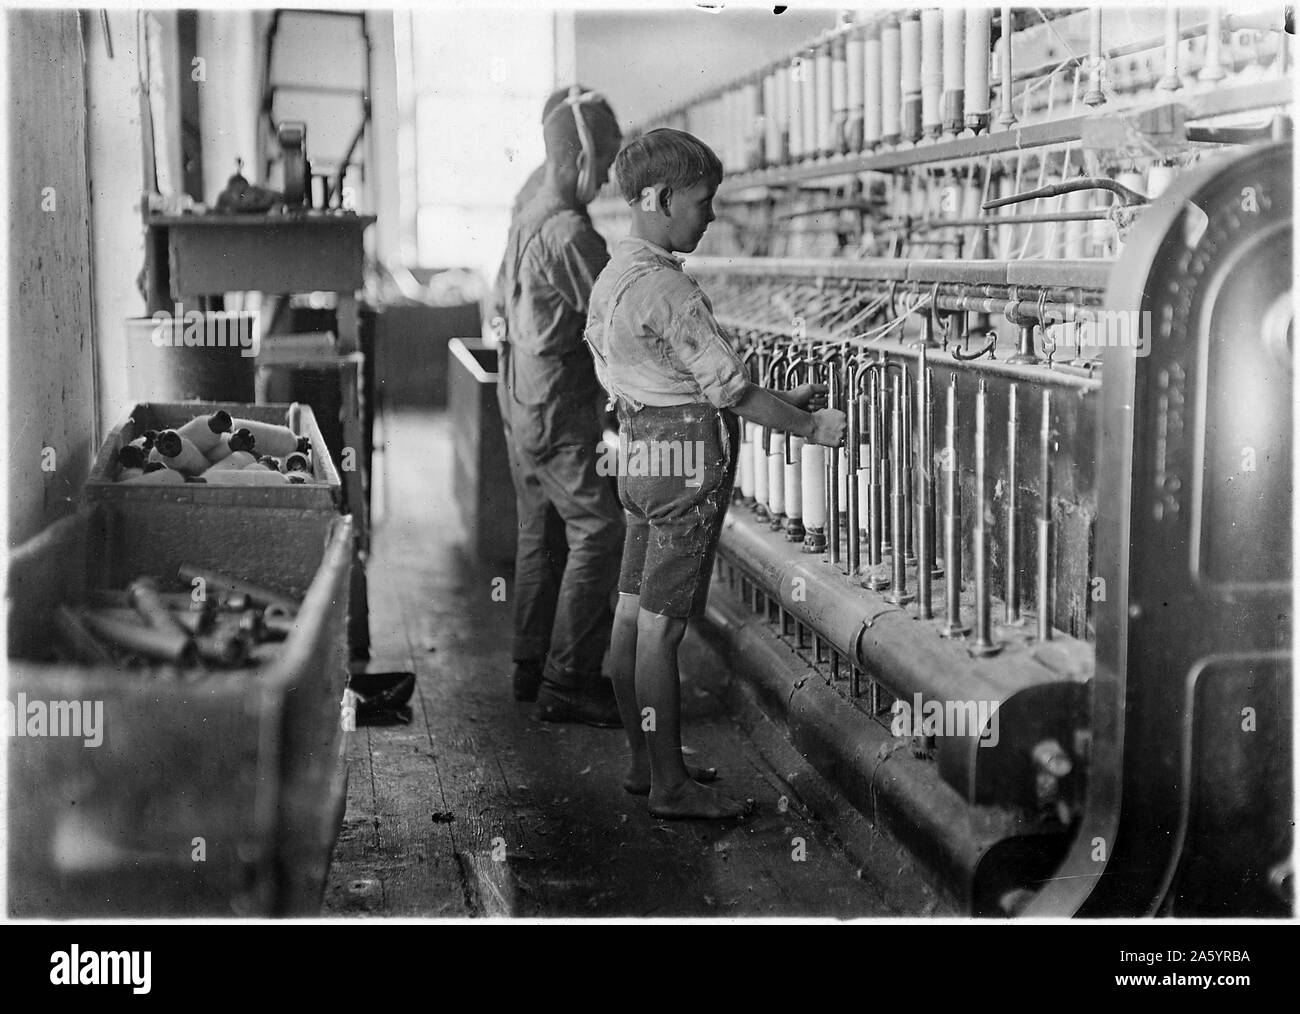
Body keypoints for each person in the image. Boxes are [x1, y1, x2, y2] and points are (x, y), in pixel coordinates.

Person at [584, 128, 847, 819]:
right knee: (663, 633)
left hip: (639, 456)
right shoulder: (671, 289)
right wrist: (812, 428)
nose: (709, 215)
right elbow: (727, 393)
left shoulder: (614, 278)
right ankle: (671, 790)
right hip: (685, 472)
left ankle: (646, 764)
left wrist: (777, 400)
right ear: (663, 199)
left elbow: (671, 379)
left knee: (631, 614)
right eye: (704, 201)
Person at [491, 86, 626, 726]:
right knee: (600, 530)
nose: (603, 184)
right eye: (601, 168)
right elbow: (617, 322)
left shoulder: (528, 208)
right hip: (557, 407)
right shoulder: (571, 233)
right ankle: (569, 679)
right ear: (576, 160)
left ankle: (529, 664)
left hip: (519, 395)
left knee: (539, 530)